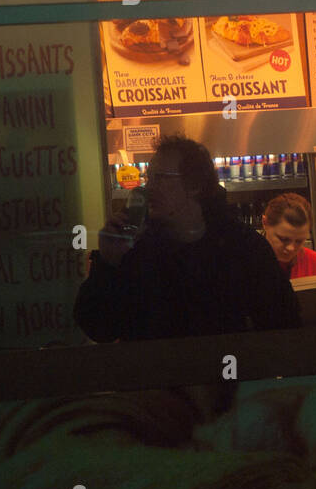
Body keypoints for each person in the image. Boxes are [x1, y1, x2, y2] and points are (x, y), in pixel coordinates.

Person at [75, 136, 299, 341]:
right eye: (148, 177)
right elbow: (99, 329)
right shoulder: (137, 247)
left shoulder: (242, 247)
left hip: (222, 380)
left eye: (161, 178)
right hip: (153, 383)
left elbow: (283, 324)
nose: (149, 187)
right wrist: (107, 261)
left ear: (195, 185)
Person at [261, 193, 316, 279]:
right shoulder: (245, 264)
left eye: (299, 241)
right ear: (265, 223)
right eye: (284, 239)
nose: (291, 248)